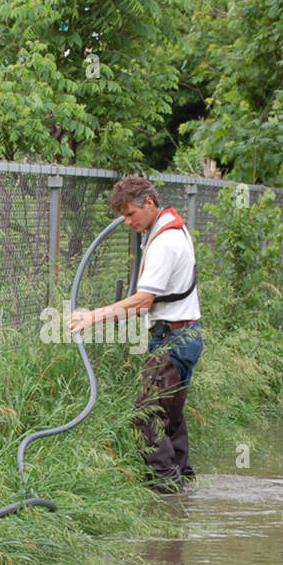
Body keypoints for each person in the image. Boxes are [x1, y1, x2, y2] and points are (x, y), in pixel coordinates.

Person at [68, 176, 202, 491]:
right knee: (170, 418)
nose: (127, 222)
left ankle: (166, 491)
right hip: (182, 336)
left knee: (146, 418)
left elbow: (143, 301)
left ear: (150, 204)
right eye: (124, 217)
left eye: (130, 215)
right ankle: (182, 484)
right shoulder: (167, 228)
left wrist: (93, 317)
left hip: (173, 340)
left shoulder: (165, 242)